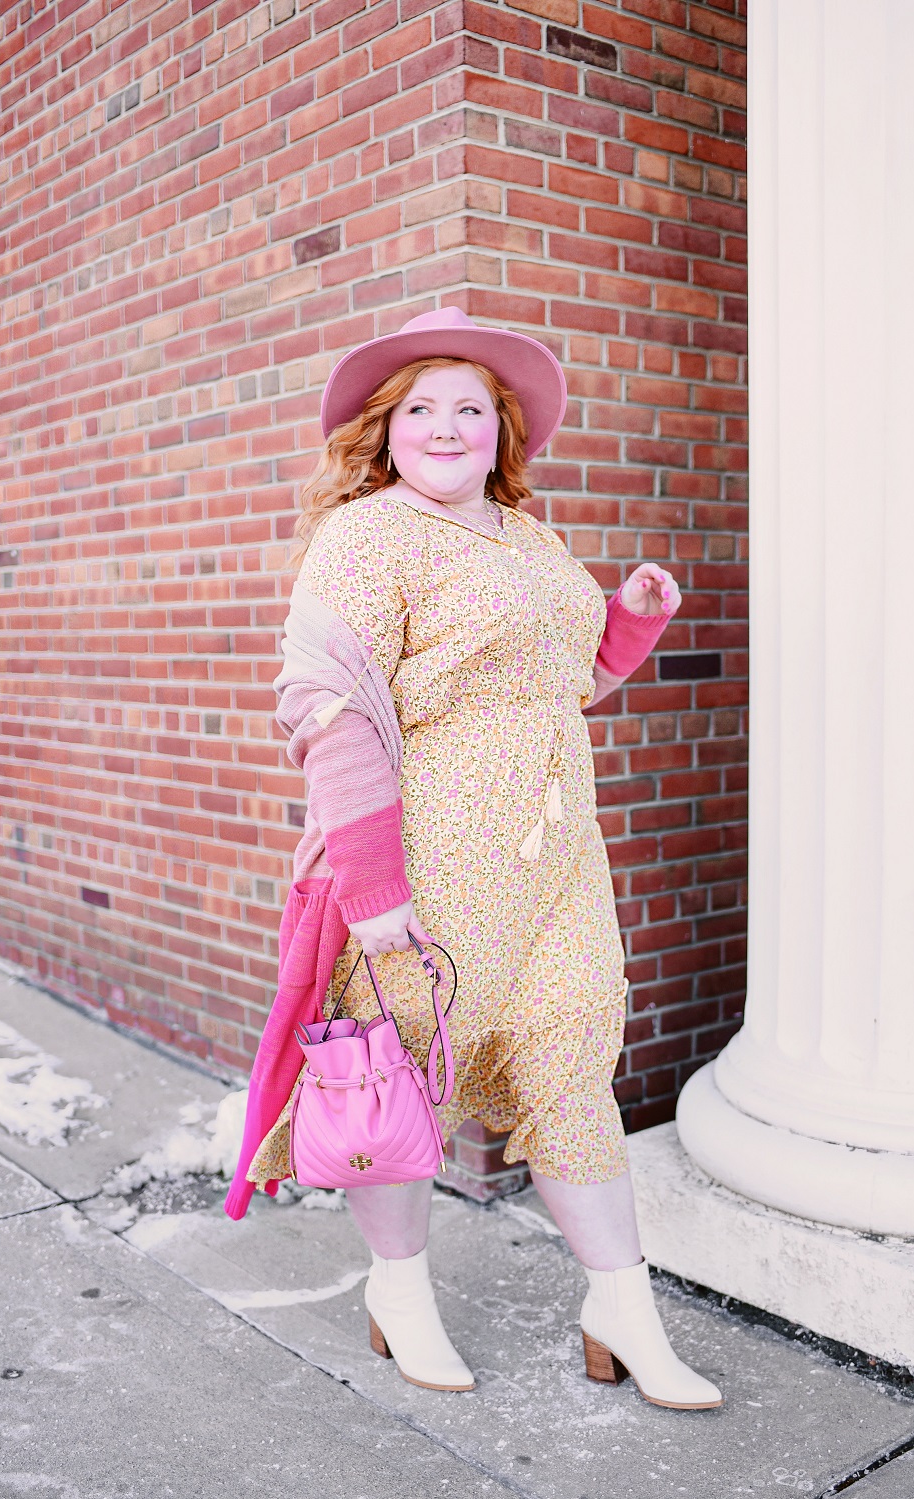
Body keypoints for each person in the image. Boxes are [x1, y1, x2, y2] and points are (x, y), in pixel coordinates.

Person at [225, 307, 722, 1411]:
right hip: (424, 859)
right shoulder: (366, 538)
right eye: (419, 408)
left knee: (572, 1062)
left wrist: (626, 624)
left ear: (500, 434)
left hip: (555, 862)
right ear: (386, 431)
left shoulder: (531, 539)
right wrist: (371, 885)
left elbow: (557, 682)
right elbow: (328, 709)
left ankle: (621, 1309)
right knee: (399, 1079)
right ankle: (399, 1290)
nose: (444, 426)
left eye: (468, 409)